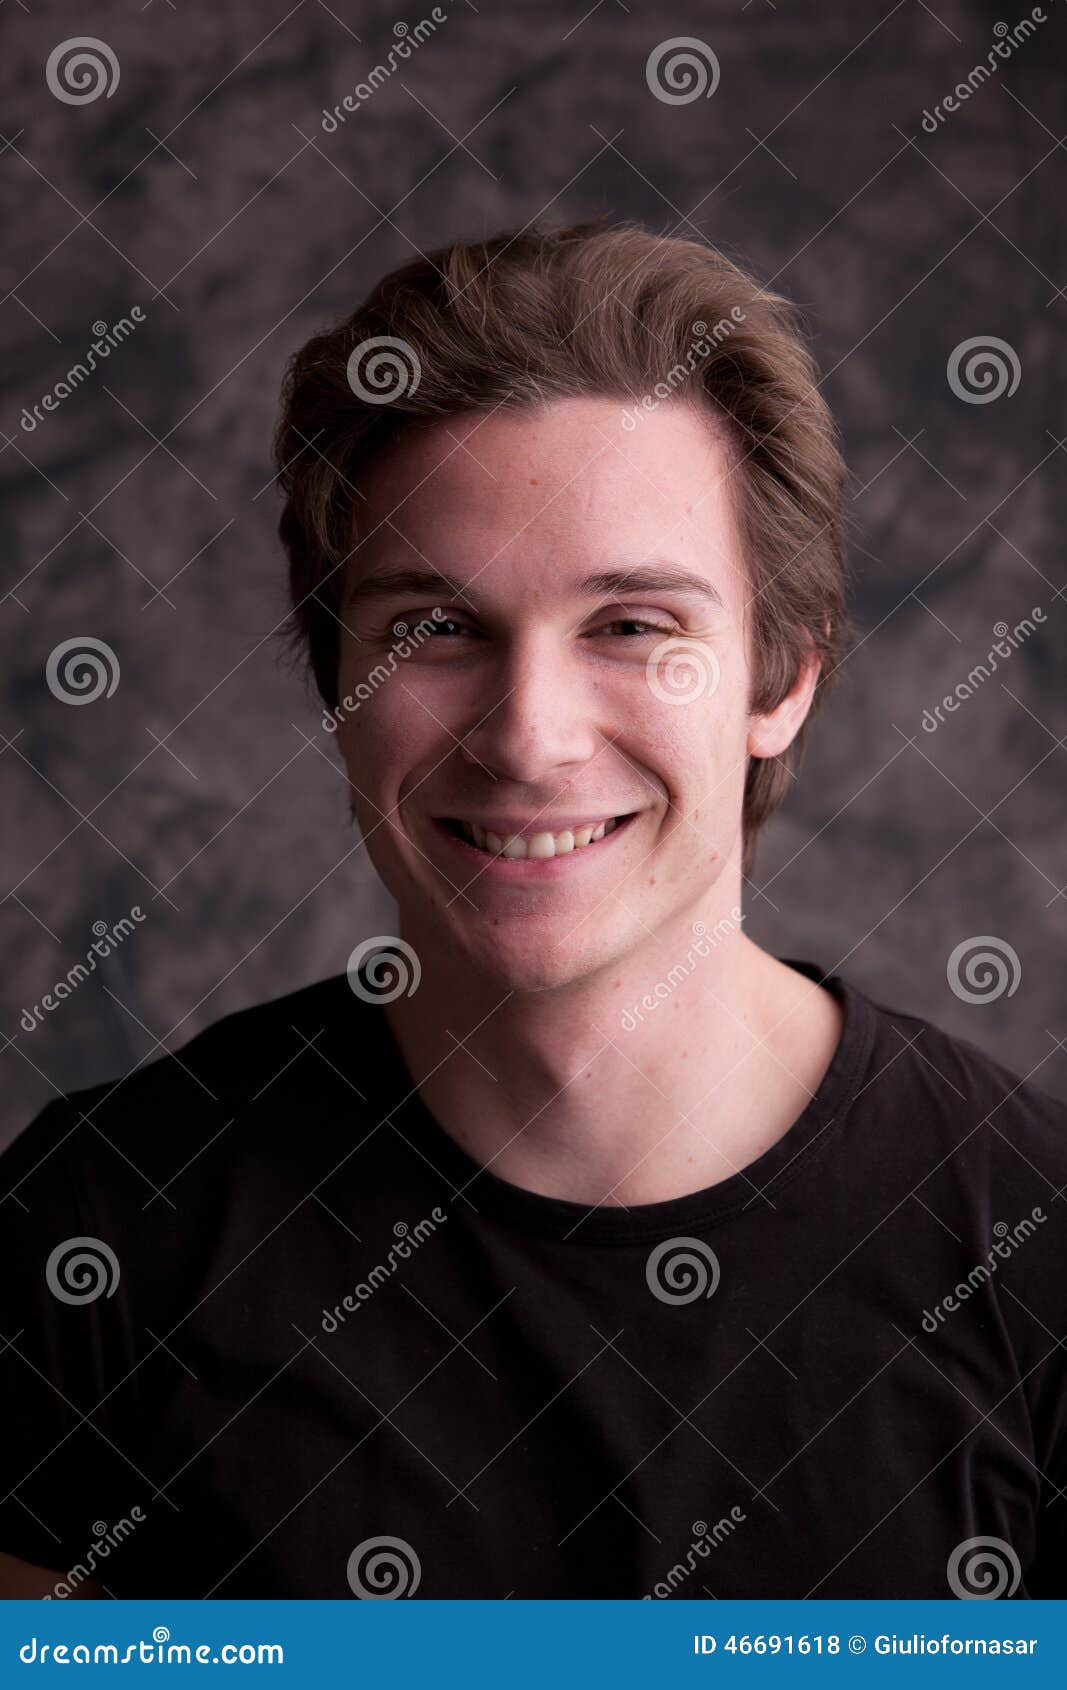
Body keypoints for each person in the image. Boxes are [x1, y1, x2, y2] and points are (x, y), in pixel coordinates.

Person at [2, 220, 1064, 1601]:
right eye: (433, 628)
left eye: (632, 624)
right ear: (337, 681)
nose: (528, 735)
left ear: (782, 676)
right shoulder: (101, 1232)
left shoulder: (1036, 1251)